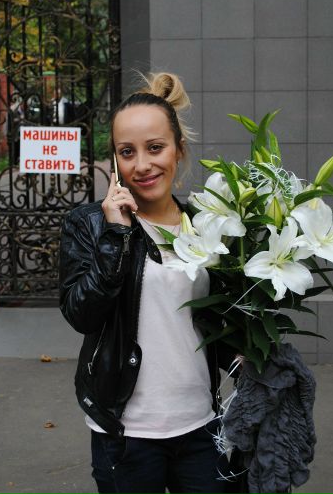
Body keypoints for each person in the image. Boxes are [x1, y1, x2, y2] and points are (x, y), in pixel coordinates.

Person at [59, 72, 233, 494]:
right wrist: (116, 236)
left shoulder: (206, 225)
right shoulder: (89, 225)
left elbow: (211, 321)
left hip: (200, 424)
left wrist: (248, 359)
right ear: (115, 161)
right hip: (126, 433)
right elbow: (82, 314)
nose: (142, 165)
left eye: (155, 147)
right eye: (127, 152)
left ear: (179, 149)